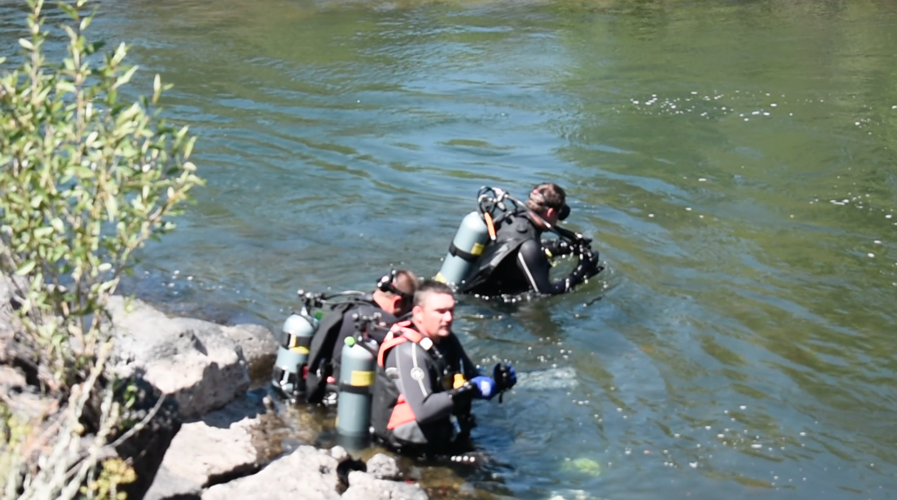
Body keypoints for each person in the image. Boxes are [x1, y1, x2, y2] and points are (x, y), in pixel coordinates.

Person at [371, 280, 516, 454]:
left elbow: (473, 380)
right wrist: (465, 391)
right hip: (406, 443)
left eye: (451, 311)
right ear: (418, 313)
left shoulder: (447, 340)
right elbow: (423, 410)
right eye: (440, 312)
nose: (448, 318)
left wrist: (498, 384)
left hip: (443, 430)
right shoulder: (408, 352)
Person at [460, 182, 601, 297]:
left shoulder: (513, 217)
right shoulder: (528, 246)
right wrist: (581, 272)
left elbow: (519, 251)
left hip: (470, 284)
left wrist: (566, 247)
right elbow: (546, 293)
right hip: (486, 305)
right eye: (558, 214)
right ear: (550, 212)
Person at [304, 269, 418, 405]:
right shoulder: (381, 323)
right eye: (409, 308)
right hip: (344, 404)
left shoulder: (351, 306)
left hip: (320, 388)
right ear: (397, 303)